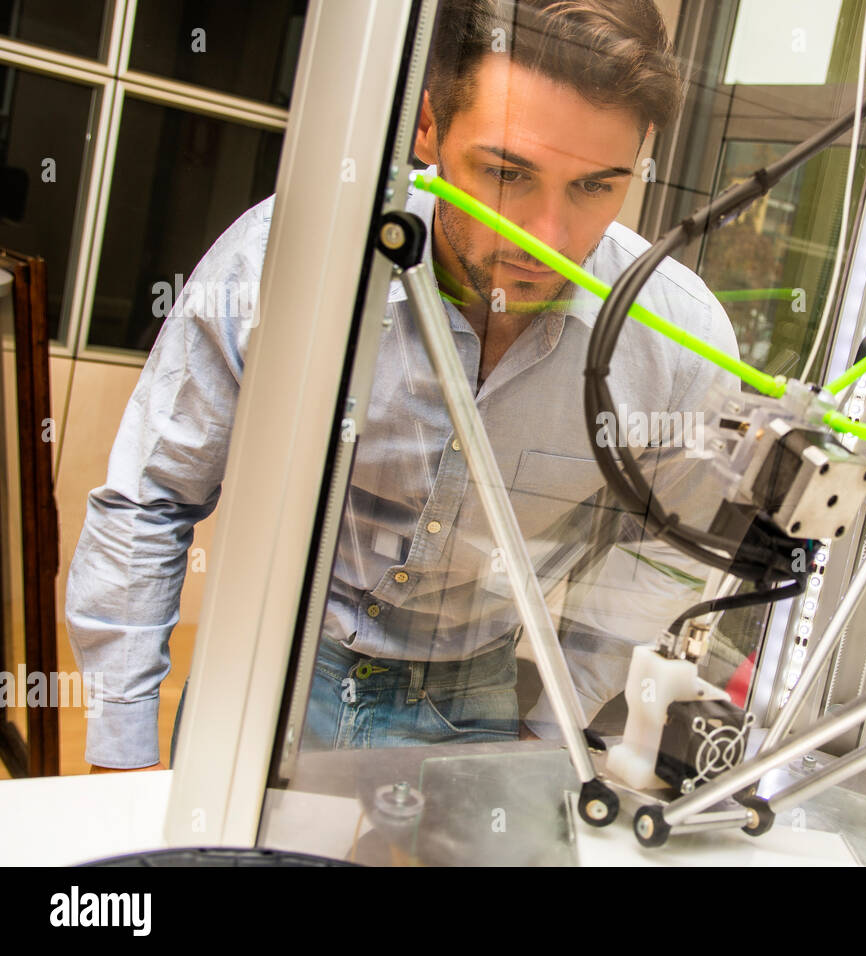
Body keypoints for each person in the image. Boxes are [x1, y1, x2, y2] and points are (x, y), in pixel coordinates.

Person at [65, 0, 740, 771]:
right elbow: (151, 499)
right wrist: (120, 752)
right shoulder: (285, 256)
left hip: (475, 704)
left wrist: (554, 730)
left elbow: (669, 548)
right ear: (427, 130)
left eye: (594, 186)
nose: (548, 238)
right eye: (507, 173)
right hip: (265, 669)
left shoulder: (677, 344)